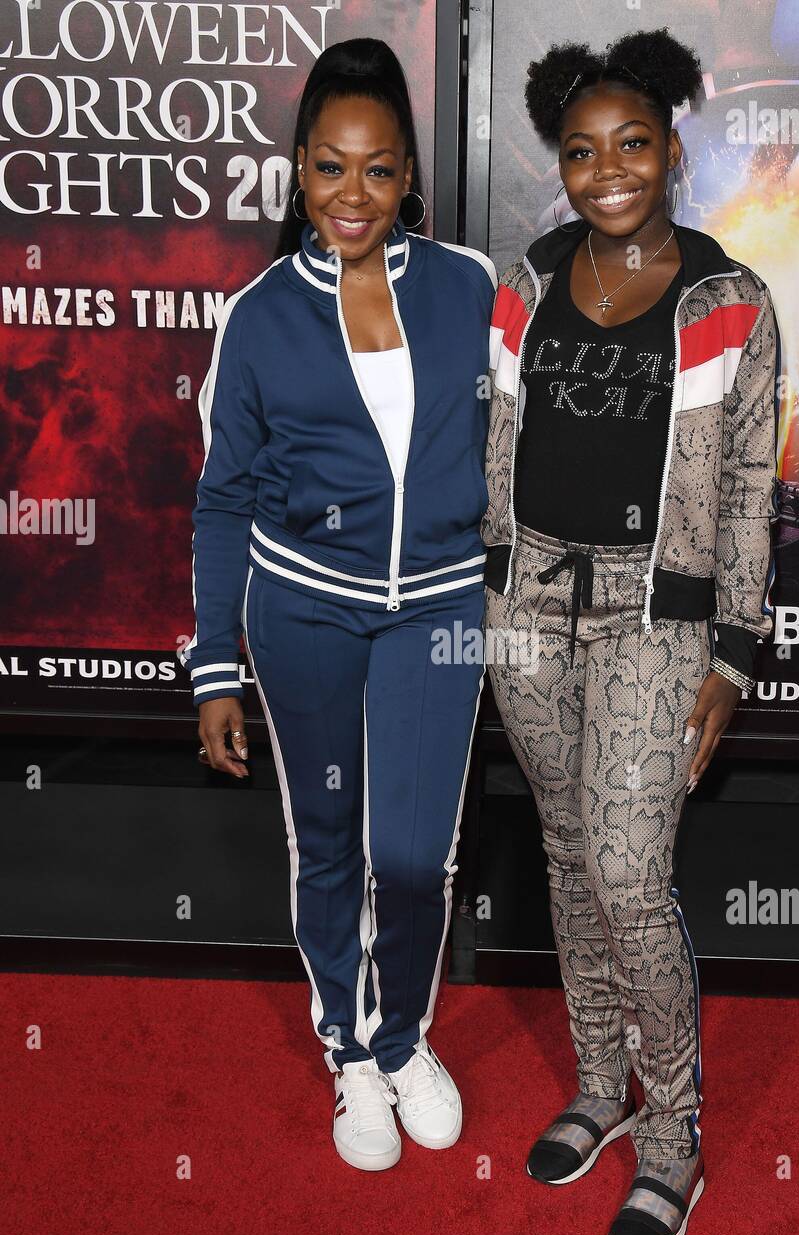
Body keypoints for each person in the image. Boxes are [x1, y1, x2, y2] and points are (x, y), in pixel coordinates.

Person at [482, 28, 779, 1235]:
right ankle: (600, 1086)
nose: (608, 170)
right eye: (582, 150)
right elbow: (494, 441)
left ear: (670, 148)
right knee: (561, 849)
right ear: (561, 161)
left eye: (633, 144)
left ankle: (675, 1138)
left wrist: (735, 651)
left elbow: (755, 483)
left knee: (621, 869)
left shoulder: (730, 299)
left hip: (658, 614)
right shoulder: (524, 282)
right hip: (527, 606)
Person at [179, 38, 497, 1172]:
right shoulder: (259, 318)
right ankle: (350, 1052)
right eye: (327, 169)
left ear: (409, 173)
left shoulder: (469, 286)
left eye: (375, 170)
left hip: (441, 608)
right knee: (326, 841)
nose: (350, 196)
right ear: (298, 174)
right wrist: (214, 665)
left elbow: (516, 452)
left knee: (415, 855)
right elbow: (221, 502)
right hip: (303, 612)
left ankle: (406, 1036)